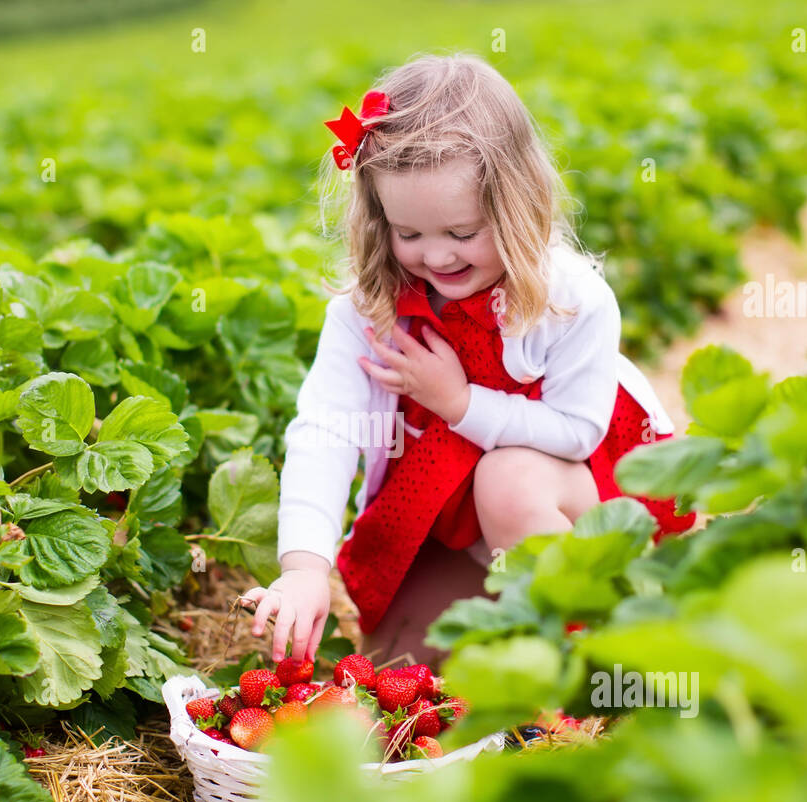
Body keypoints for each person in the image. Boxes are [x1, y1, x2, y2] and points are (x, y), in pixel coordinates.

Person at [243, 53, 693, 664]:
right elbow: (325, 430)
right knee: (398, 666)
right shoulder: (370, 313)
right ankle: (511, 650)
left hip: (572, 510)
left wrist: (458, 403)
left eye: (462, 233)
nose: (438, 257)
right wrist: (302, 567)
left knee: (508, 480)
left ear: (516, 205)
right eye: (410, 234)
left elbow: (577, 432)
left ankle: (587, 657)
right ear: (380, 220)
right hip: (446, 521)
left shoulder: (567, 298)